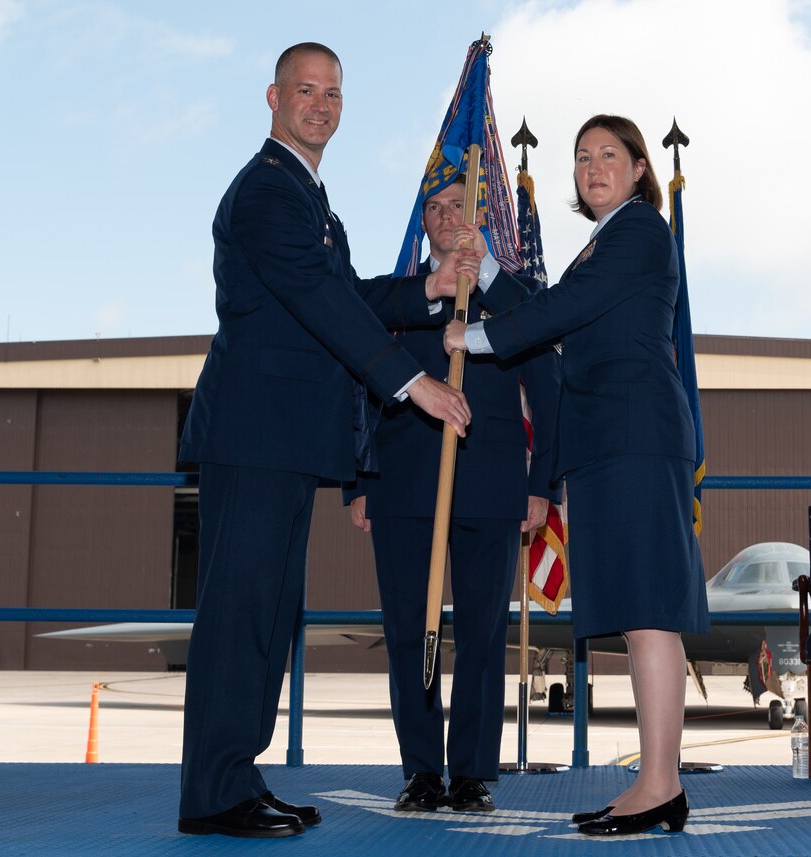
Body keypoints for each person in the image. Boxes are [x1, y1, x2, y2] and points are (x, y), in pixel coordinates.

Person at [176, 42, 479, 839]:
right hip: (253, 436)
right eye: (305, 90)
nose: (321, 105)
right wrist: (414, 384)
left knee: (271, 615)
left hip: (282, 441)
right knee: (242, 612)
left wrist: (428, 287)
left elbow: (346, 293)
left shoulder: (308, 196)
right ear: (272, 97)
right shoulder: (269, 192)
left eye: (333, 93)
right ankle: (213, 790)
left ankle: (234, 776)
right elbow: (320, 299)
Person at [444, 114, 709, 837]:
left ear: (638, 168)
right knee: (634, 609)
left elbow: (561, 313)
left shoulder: (641, 231)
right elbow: (548, 306)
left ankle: (660, 783)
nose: (593, 167)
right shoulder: (602, 243)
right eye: (582, 157)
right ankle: (656, 782)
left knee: (649, 607)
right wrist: (492, 273)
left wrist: (472, 335)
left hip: (637, 439)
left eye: (609, 155)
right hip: (607, 446)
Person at [346, 177, 561, 813]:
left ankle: (469, 771)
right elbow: (359, 382)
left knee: (484, 633)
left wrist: (542, 485)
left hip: (493, 488)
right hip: (404, 484)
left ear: (480, 216)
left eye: (457, 206)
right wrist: (359, 482)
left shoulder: (512, 298)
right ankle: (420, 770)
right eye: (433, 207)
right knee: (409, 630)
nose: (444, 217)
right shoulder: (393, 297)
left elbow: (549, 395)